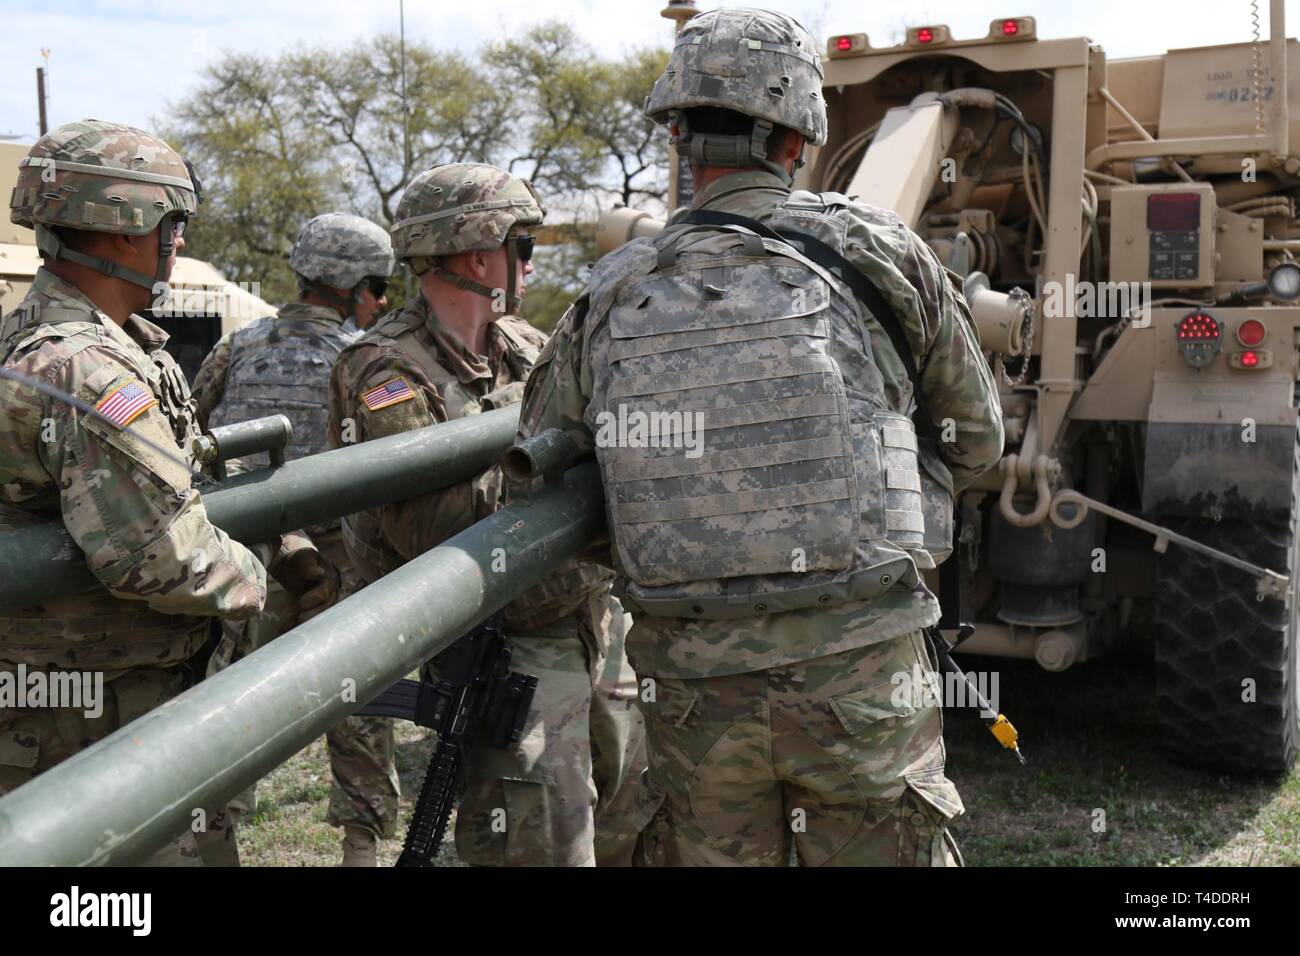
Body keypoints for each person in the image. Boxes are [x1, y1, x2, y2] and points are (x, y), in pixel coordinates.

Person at [513, 7, 1005, 866]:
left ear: (678, 138)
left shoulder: (610, 289)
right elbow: (978, 439)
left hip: (692, 692)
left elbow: (551, 476)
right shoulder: (881, 251)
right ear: (799, 136)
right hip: (862, 675)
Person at [0, 119, 334, 865]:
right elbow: (160, 557)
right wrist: (263, 581)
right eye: (171, 221)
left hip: (80, 708)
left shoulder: (71, 346)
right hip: (100, 725)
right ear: (124, 228)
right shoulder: (87, 371)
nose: (177, 240)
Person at [329, 163, 646, 866]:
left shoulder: (530, 347)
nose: (529, 264)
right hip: (506, 646)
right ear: (480, 253)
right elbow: (435, 532)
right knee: (542, 841)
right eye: (522, 246)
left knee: (632, 818)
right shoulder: (384, 368)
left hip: (591, 621)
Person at [188, 212, 398, 866]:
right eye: (379, 290)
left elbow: (194, 434)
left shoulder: (239, 345)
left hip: (243, 557)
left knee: (228, 709)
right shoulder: (363, 358)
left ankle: (213, 842)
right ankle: (359, 851)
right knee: (358, 705)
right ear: (359, 289)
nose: (383, 303)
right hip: (340, 561)